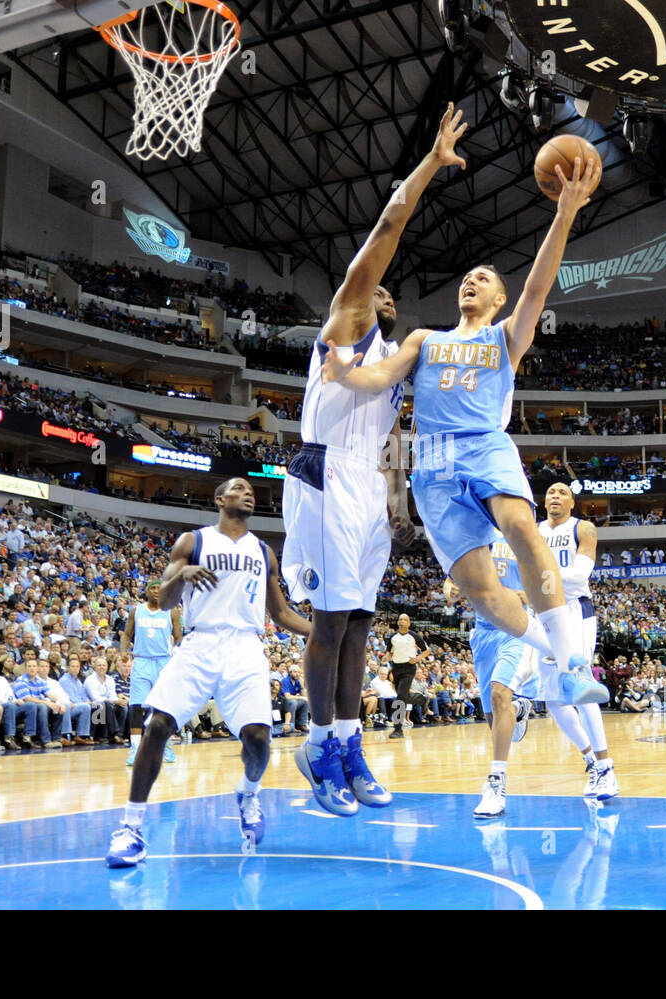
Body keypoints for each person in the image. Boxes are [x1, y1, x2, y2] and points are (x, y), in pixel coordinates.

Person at [322, 147, 607, 711]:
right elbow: (382, 375)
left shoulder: (504, 337)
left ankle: (574, 662)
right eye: (467, 277)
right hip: (431, 463)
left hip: (484, 445)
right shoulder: (425, 339)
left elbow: (537, 290)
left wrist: (566, 212)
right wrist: (346, 374)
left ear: (498, 299)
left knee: (521, 526)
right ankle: (551, 655)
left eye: (484, 278)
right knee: (482, 593)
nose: (471, 280)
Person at [280, 109, 469, 818]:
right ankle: (319, 745)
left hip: (366, 490)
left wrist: (398, 504)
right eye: (375, 289)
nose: (383, 294)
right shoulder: (344, 324)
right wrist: (427, 166)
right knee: (329, 623)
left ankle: (351, 741)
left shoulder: (393, 366)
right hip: (323, 472)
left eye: (391, 295)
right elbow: (386, 234)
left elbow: (394, 446)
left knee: (360, 623)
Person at [106, 479, 311, 866]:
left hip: (246, 646)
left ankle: (249, 793)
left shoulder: (264, 551)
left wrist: (323, 632)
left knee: (258, 738)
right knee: (157, 726)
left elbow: (280, 613)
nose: (248, 492)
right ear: (219, 500)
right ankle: (131, 827)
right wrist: (180, 576)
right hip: (199, 644)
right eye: (238, 487)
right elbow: (165, 601)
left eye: (251, 490)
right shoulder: (192, 541)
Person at [535, 481, 618, 800]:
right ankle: (590, 761)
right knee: (553, 699)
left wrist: (537, 574)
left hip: (573, 611)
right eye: (551, 492)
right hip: (542, 613)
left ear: (572, 503)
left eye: (562, 493)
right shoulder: (532, 529)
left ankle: (606, 766)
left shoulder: (583, 528)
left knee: (581, 690)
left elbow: (578, 575)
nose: (555, 496)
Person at [448, 532, 534, 819]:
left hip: (515, 628)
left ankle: (496, 784)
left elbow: (543, 585)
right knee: (492, 718)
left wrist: (523, 596)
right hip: (484, 633)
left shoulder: (522, 534)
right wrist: (451, 586)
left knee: (499, 694)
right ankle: (518, 709)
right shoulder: (473, 535)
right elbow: (456, 576)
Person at [119, 580, 182, 766]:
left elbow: (178, 636)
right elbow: (127, 634)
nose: (156, 591)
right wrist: (123, 651)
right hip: (142, 661)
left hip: (163, 661)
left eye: (159, 589)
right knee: (137, 708)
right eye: (152, 588)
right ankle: (135, 749)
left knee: (163, 708)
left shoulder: (171, 611)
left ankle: (166, 745)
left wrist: (178, 651)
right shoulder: (136, 611)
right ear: (146, 591)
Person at [387, 614, 429, 738]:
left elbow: (427, 650)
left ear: (409, 623)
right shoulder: (393, 637)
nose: (402, 621)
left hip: (409, 668)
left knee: (400, 697)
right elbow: (389, 653)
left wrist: (417, 659)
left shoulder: (414, 636)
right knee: (402, 696)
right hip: (396, 668)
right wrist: (386, 658)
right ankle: (421, 699)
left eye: (405, 619)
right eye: (400, 619)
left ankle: (398, 729)